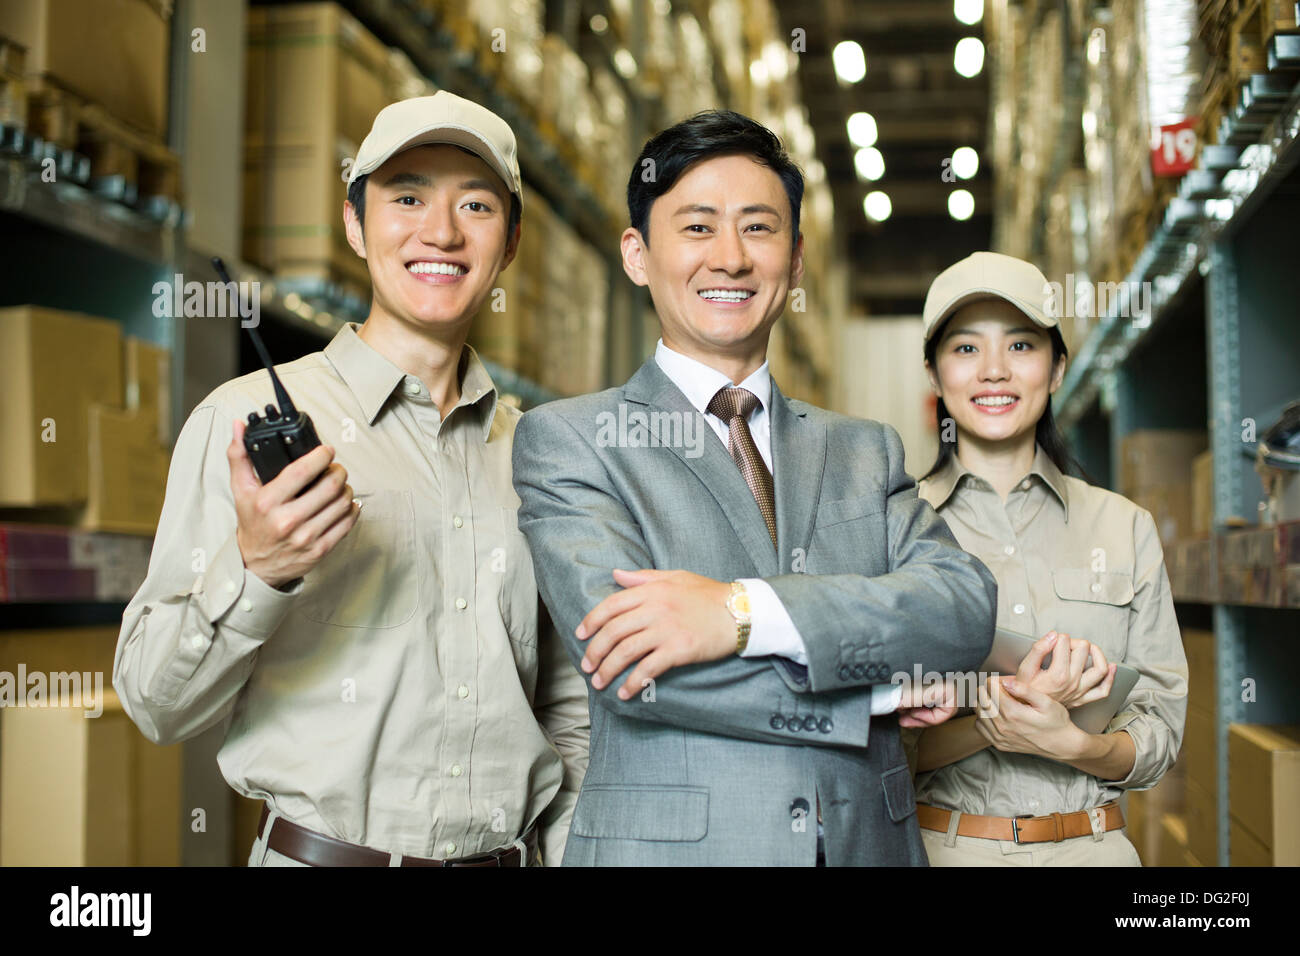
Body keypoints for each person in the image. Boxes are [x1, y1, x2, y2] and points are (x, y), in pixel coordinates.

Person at [510, 110, 997, 866]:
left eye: (759, 229)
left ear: (796, 261)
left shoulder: (864, 449)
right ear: (638, 255)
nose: (731, 258)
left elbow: (961, 611)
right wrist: (871, 692)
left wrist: (741, 613)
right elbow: (632, 669)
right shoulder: (572, 441)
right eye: (697, 228)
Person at [113, 92, 589, 867]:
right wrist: (258, 570)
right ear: (353, 224)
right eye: (406, 197)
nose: (440, 232)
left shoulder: (536, 454)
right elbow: (152, 703)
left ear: (510, 244)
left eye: (475, 204)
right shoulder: (240, 421)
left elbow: (566, 708)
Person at [906, 251, 1188, 865]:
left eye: (1022, 346)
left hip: (1094, 848)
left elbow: (1161, 730)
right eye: (965, 349)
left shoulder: (1124, 528)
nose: (994, 372)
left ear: (1057, 368)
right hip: (943, 850)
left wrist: (1072, 744)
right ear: (933, 374)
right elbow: (863, 744)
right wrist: (992, 714)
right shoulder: (892, 530)